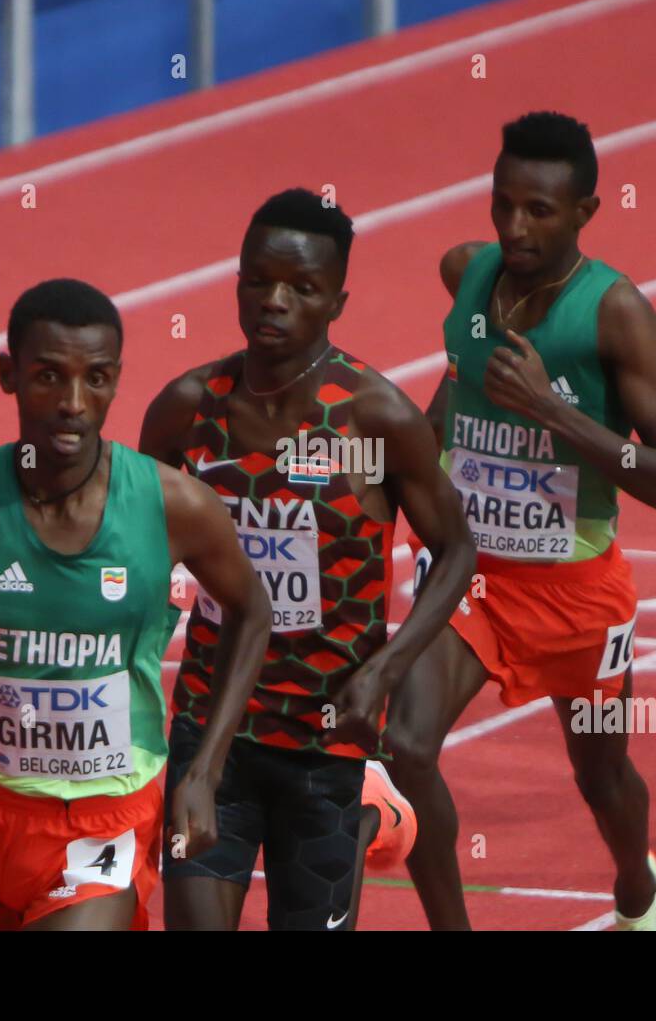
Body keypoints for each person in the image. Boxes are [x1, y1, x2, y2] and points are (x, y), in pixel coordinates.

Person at [0, 278, 273, 930]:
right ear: (8, 374)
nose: (73, 402)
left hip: (105, 813)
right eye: (48, 376)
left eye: (95, 379)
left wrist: (205, 770)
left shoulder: (174, 505)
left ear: (116, 381)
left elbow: (253, 610)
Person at [385, 111, 656, 931]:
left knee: (600, 775)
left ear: (587, 212)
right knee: (405, 747)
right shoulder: (468, 274)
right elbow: (459, 382)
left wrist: (556, 414)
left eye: (541, 212)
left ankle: (638, 886)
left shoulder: (616, 313)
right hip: (471, 576)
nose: (515, 228)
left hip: (577, 593)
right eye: (503, 204)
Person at [140, 189, 476, 931]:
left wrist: (384, 672)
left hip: (328, 735)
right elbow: (137, 554)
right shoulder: (188, 412)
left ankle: (368, 809)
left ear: (337, 300)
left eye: (301, 288)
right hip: (214, 725)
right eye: (257, 280)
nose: (274, 301)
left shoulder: (372, 419)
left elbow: (457, 549)